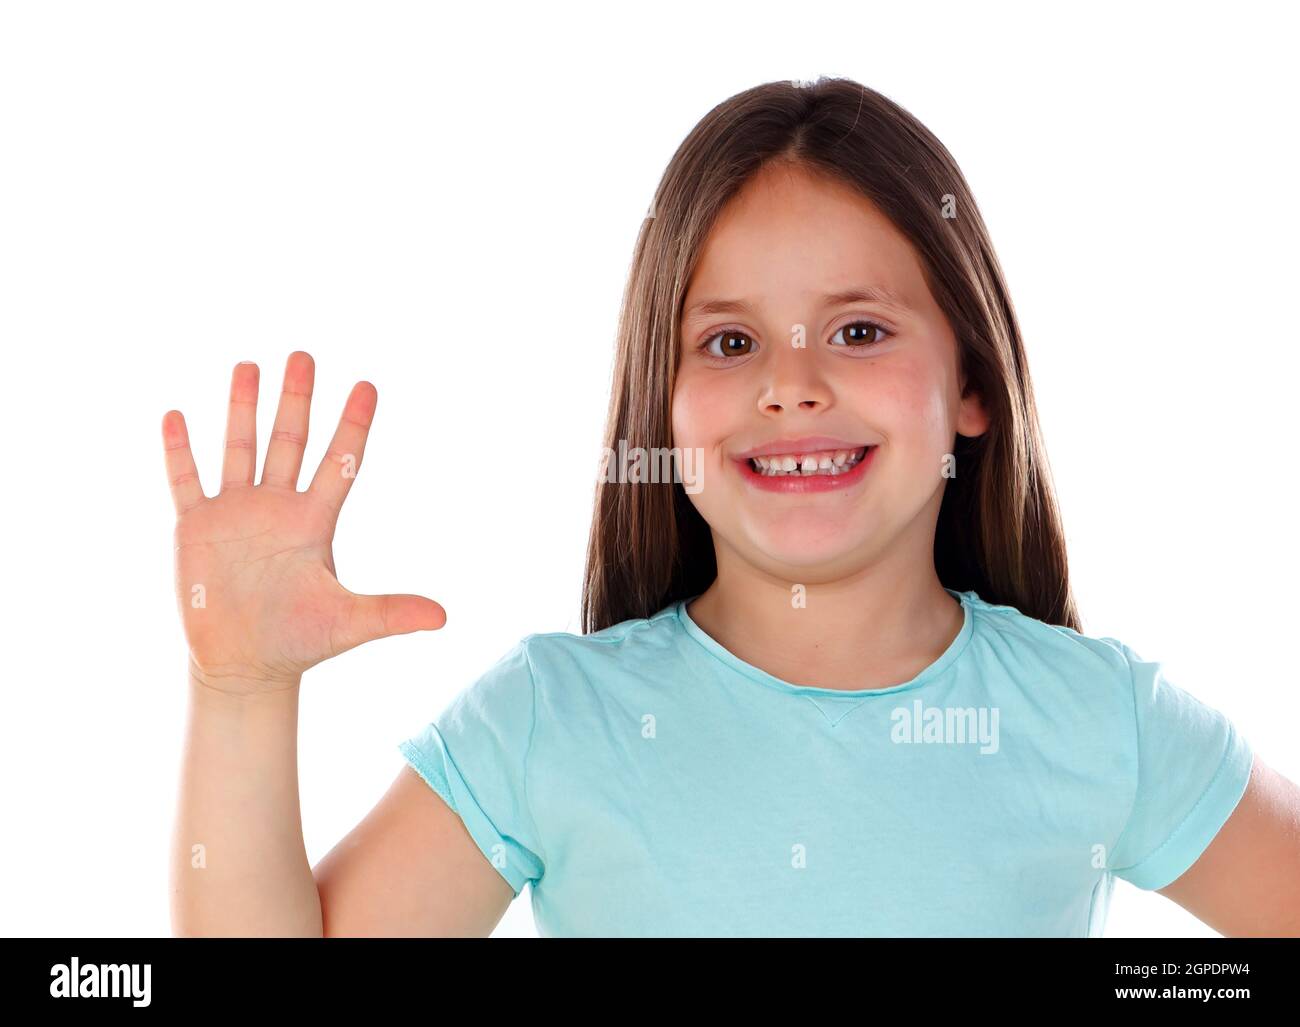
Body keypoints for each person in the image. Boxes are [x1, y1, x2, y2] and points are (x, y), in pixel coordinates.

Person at [162, 77, 1300, 937]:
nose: (789, 382)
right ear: (660, 407)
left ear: (970, 388)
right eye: (729, 340)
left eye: (857, 330)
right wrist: (241, 692)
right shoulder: (549, 723)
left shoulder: (1101, 720)